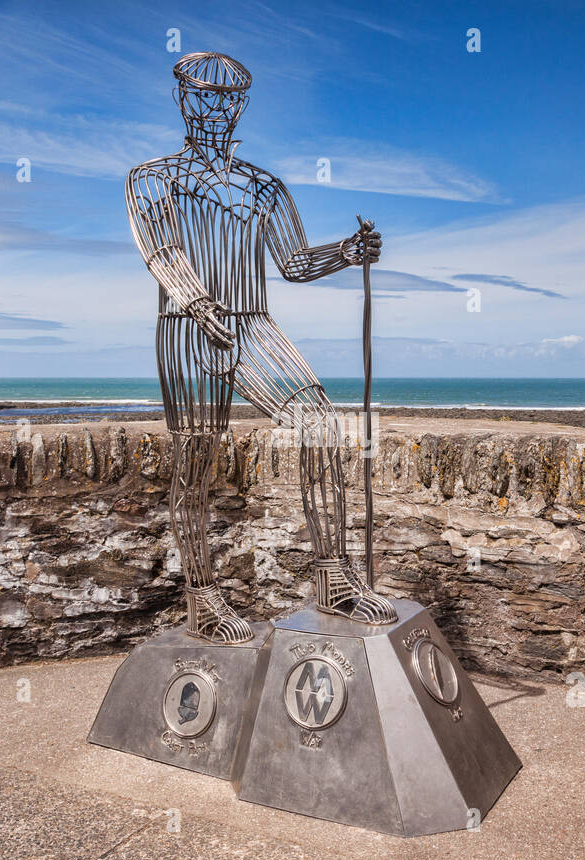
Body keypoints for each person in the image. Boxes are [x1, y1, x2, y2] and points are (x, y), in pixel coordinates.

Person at [125, 51, 397, 644]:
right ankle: (201, 596)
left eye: (226, 98)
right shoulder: (151, 178)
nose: (215, 107)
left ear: (240, 104)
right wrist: (197, 302)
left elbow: (295, 263)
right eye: (202, 94)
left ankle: (333, 576)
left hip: (252, 327)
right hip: (186, 326)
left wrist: (348, 252)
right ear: (182, 98)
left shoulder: (262, 188)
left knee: (321, 422)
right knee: (196, 459)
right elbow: (160, 249)